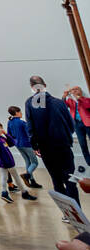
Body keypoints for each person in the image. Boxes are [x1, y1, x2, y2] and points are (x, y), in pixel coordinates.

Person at [26, 75, 80, 204]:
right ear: (45, 85)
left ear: (32, 88)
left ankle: (68, 214)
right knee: (70, 179)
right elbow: (71, 125)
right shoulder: (59, 102)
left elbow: (31, 127)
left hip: (46, 148)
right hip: (63, 145)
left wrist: (35, 146)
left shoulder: (30, 103)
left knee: (56, 180)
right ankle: (78, 212)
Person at [0, 119, 36, 203]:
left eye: (1, 127)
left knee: (4, 177)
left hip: (4, 161)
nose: (0, 129)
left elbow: (12, 143)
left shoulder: (1, 137)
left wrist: (6, 134)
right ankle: (24, 193)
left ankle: (4, 193)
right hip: (6, 161)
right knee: (16, 178)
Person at [7, 105, 42, 188]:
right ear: (16, 113)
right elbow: (29, 135)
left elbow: (9, 134)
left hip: (18, 145)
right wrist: (35, 146)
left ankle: (32, 181)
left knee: (27, 161)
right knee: (34, 162)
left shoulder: (10, 122)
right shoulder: (22, 123)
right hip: (27, 144)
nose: (21, 113)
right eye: (20, 112)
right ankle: (27, 175)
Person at [65, 85, 90, 173]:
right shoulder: (70, 100)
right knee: (83, 144)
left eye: (76, 89)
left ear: (80, 91)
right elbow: (63, 106)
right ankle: (89, 163)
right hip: (77, 125)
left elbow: (88, 106)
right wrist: (65, 96)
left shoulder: (86, 99)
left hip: (87, 123)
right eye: (73, 90)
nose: (74, 91)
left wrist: (79, 98)